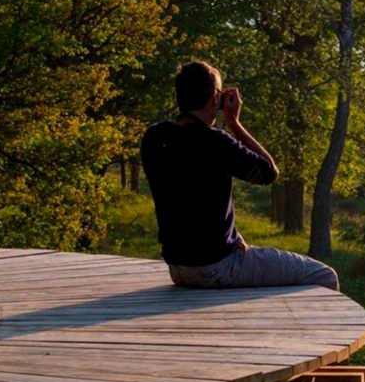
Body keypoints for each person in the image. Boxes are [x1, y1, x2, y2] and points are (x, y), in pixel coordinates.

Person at [140, 61, 340, 291]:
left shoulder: (154, 137)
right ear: (214, 98)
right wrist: (234, 123)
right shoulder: (215, 142)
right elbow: (269, 172)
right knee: (325, 276)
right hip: (218, 266)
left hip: (178, 267)